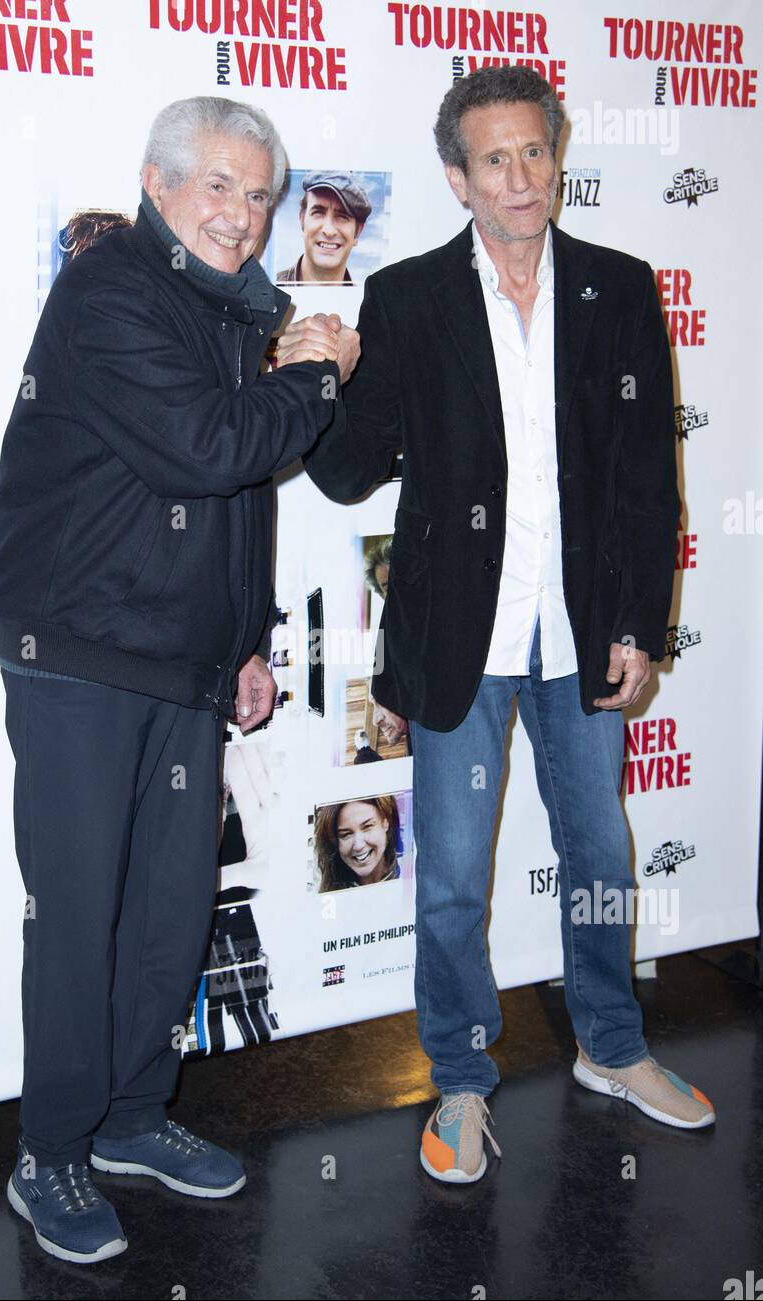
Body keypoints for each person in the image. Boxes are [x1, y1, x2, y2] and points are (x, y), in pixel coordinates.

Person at [300, 67, 714, 1185]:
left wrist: (637, 621)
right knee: (447, 878)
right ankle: (460, 1078)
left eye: (534, 151)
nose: (520, 177)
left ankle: (610, 1049)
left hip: (579, 632)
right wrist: (321, 381)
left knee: (597, 853)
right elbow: (346, 478)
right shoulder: (408, 301)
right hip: (456, 644)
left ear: (556, 152)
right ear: (456, 178)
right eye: (494, 159)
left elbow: (642, 476)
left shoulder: (617, 289)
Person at [0, 94, 359, 1262]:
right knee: (80, 912)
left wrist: (245, 637)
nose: (242, 215)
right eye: (218, 187)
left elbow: (236, 499)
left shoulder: (237, 307)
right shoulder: (109, 292)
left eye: (259, 195)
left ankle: (135, 1117)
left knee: (166, 914)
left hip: (184, 658)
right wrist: (316, 377)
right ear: (157, 187)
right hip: (82, 653)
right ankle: (49, 1150)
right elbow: (212, 445)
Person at [276, 171, 372, 284]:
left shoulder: (370, 298)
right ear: (302, 220)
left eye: (342, 216)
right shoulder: (269, 288)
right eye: (318, 213)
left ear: (358, 232)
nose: (328, 231)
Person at [314, 797, 401, 891]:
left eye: (367, 826)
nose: (358, 846)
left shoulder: (410, 874)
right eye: (346, 834)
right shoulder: (324, 894)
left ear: (386, 822)